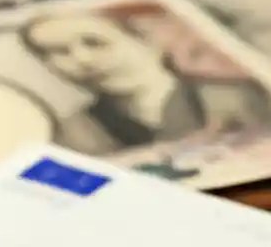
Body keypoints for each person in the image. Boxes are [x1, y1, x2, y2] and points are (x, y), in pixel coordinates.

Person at [19, 13, 271, 154]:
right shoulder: (75, 132)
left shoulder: (238, 97)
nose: (82, 60)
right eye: (57, 52)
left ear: (146, 40)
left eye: (94, 42)